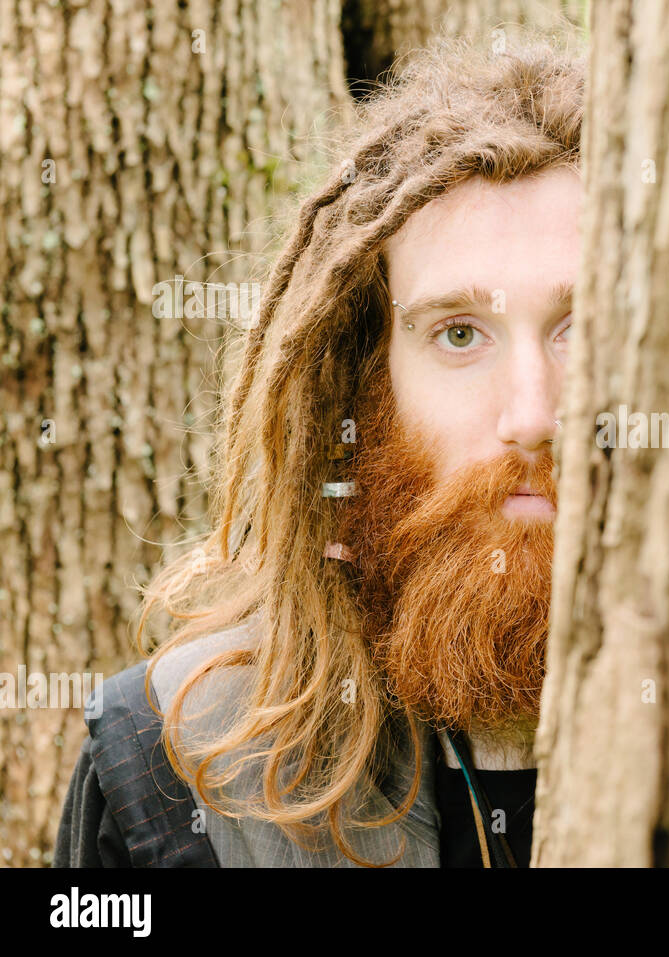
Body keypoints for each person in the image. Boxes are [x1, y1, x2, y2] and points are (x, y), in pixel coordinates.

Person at [53, 32, 584, 868]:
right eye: (459, 333)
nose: (533, 414)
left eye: (581, 329)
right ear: (369, 382)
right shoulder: (174, 763)